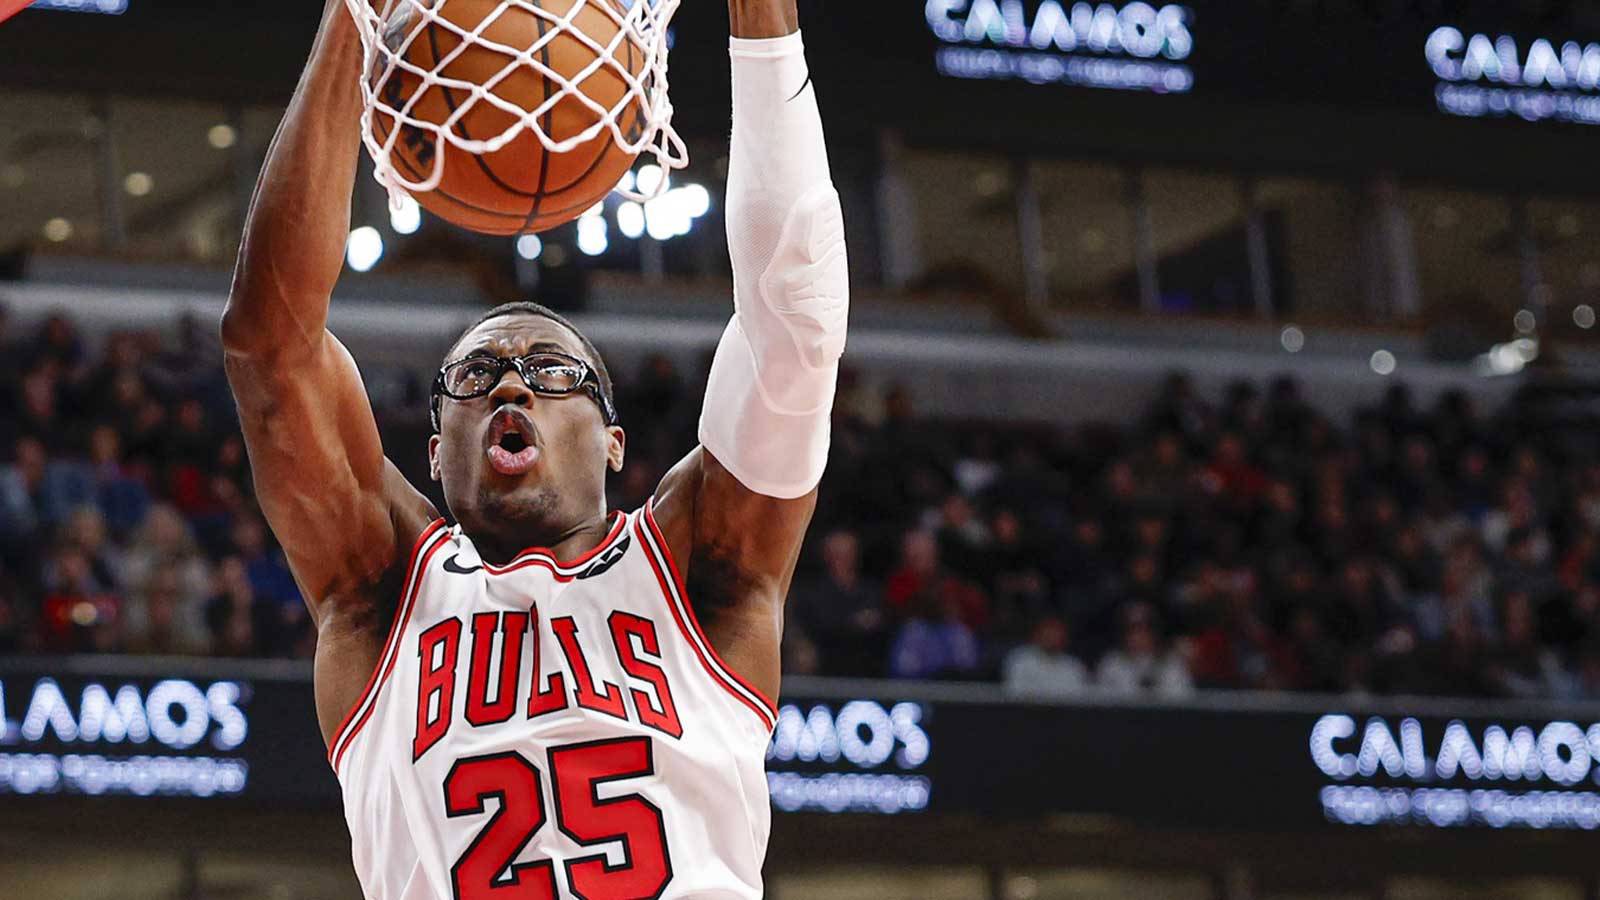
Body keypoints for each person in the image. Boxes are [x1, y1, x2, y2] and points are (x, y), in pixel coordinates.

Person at [221, 0, 845, 897]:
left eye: (552, 373)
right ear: (434, 455)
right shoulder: (379, 591)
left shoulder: (699, 566)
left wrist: (765, 18)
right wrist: (353, 20)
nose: (510, 388)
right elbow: (268, 348)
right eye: (473, 378)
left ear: (614, 443)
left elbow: (796, 324)